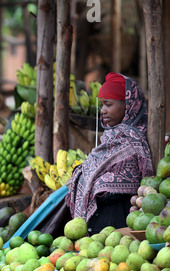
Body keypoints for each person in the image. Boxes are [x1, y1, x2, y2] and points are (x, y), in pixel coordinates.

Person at [64, 72, 154, 234]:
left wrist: (99, 183)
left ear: (128, 106)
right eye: (102, 105)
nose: (103, 110)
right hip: (99, 225)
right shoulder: (110, 137)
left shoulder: (131, 139)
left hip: (120, 222)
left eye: (108, 104)